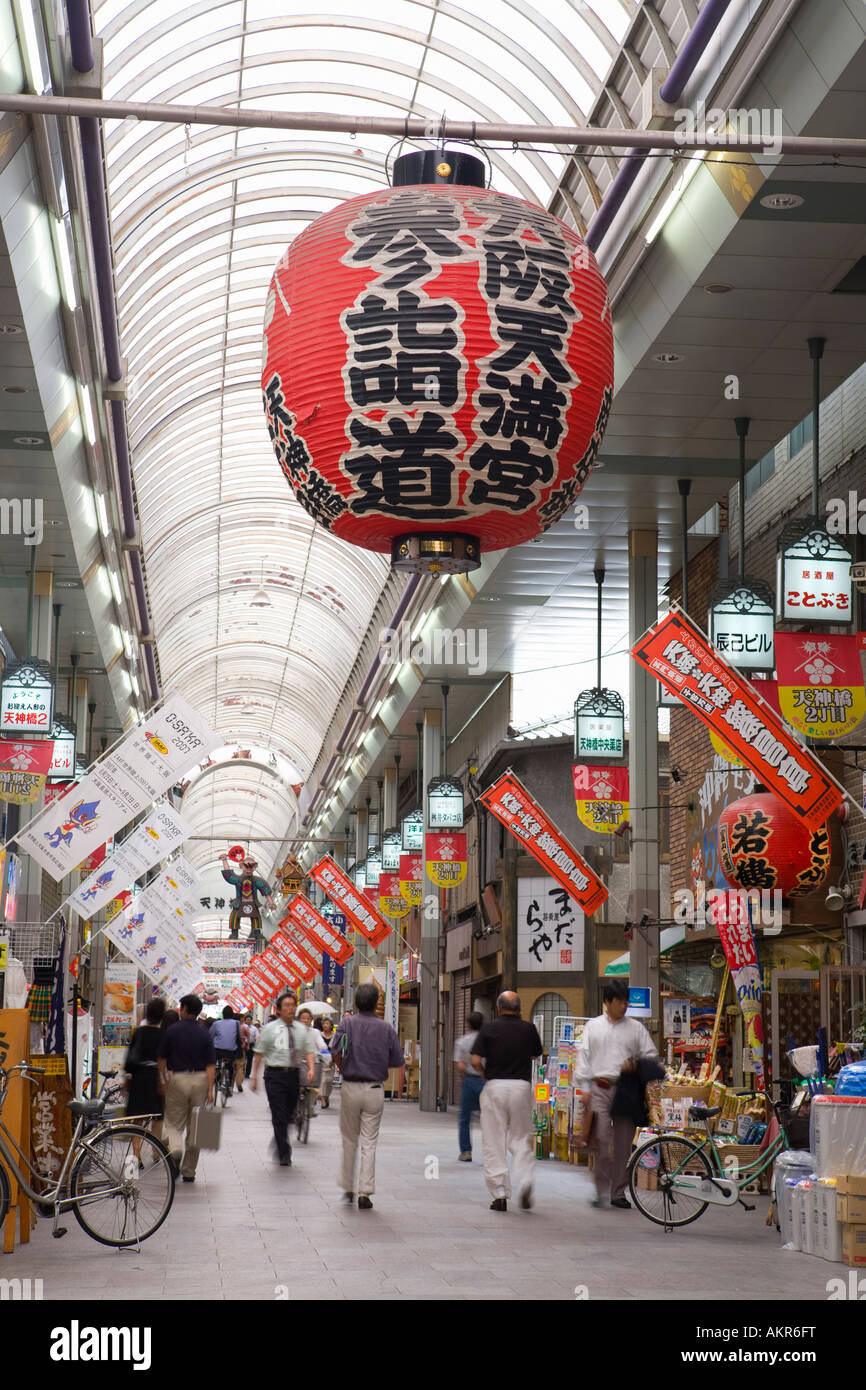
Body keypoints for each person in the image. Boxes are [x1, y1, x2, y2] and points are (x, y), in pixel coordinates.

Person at [575, 979, 658, 1210]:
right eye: (620, 1001)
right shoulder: (593, 1026)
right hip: (599, 1087)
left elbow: (651, 1054)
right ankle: (601, 1190)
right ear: (608, 1002)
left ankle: (618, 1192)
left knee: (622, 1143)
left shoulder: (636, 1028)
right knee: (601, 1139)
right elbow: (584, 1057)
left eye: (626, 1002)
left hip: (626, 1089)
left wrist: (635, 1063)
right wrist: (584, 1089)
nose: (624, 1006)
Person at [330, 982, 404, 1210]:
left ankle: (348, 1187)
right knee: (369, 1142)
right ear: (376, 1003)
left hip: (351, 1086)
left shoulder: (346, 1023)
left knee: (349, 1139)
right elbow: (397, 1061)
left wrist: (343, 1067)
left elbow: (335, 1050)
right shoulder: (386, 1029)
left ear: (355, 1003)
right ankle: (365, 1191)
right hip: (374, 1089)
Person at [471, 992, 542, 1213]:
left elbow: (474, 1060)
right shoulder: (529, 1029)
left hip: (495, 1086)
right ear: (519, 1008)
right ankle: (526, 1179)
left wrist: (484, 1073)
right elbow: (535, 1055)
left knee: (494, 1139)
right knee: (521, 1138)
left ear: (499, 1007)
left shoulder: (489, 1029)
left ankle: (500, 1194)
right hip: (521, 1087)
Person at [250, 992, 317, 1166]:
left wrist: (311, 1069)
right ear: (279, 1010)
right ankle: (284, 1151)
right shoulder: (270, 1029)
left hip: (293, 1075)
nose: (290, 1008)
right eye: (286, 1005)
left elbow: (308, 1050)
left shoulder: (301, 1029)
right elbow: (259, 1053)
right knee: (279, 1114)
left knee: (290, 1115)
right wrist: (254, 1076)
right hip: (274, 1076)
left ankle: (280, 1137)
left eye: (292, 1005)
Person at [157, 993, 216, 1183]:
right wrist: (210, 1089)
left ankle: (175, 1149)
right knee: (198, 1127)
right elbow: (210, 1065)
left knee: (174, 1123)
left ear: (183, 1009)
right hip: (201, 1079)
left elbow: (161, 1059)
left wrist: (163, 1079)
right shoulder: (204, 1033)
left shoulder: (172, 1031)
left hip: (178, 1078)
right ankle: (189, 1171)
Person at [124, 997, 166, 1147]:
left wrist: (127, 1077)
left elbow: (129, 1057)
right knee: (157, 1117)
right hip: (155, 1079)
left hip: (139, 1078)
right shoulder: (163, 1034)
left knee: (138, 1118)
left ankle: (136, 1154)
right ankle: (156, 1151)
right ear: (162, 1015)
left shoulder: (139, 1032)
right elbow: (164, 1060)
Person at [220, 851, 274, 942]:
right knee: (234, 916)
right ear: (241, 866)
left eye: (251, 867)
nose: (248, 869)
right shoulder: (238, 880)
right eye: (246, 866)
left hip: (253, 902)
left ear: (255, 867)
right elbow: (229, 876)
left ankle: (256, 932)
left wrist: (271, 903)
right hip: (239, 902)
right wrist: (224, 861)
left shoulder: (257, 880)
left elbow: (265, 889)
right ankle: (234, 933)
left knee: (256, 916)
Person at [454, 1010, 485, 1161]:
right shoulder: (488, 1040)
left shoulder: (462, 1041)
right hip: (485, 1080)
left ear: (468, 1025)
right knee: (488, 1117)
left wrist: (463, 1076)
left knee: (465, 1118)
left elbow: (460, 1065)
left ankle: (466, 1152)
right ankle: (490, 1151)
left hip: (469, 1080)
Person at [211, 1006, 243, 1096]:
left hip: (218, 1050)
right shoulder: (237, 1023)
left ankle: (216, 1074)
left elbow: (210, 1035)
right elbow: (239, 1036)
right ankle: (229, 1086)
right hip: (231, 1050)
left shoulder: (216, 1023)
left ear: (223, 1014)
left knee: (215, 1062)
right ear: (232, 1014)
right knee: (230, 1066)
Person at [318, 1016, 336, 1108]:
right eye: (324, 1023)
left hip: (331, 1062)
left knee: (329, 1081)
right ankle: (323, 1100)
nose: (325, 1025)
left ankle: (326, 1096)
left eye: (327, 1023)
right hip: (320, 1061)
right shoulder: (319, 1035)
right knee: (322, 1081)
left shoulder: (334, 1036)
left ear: (331, 1025)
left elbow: (336, 1050)